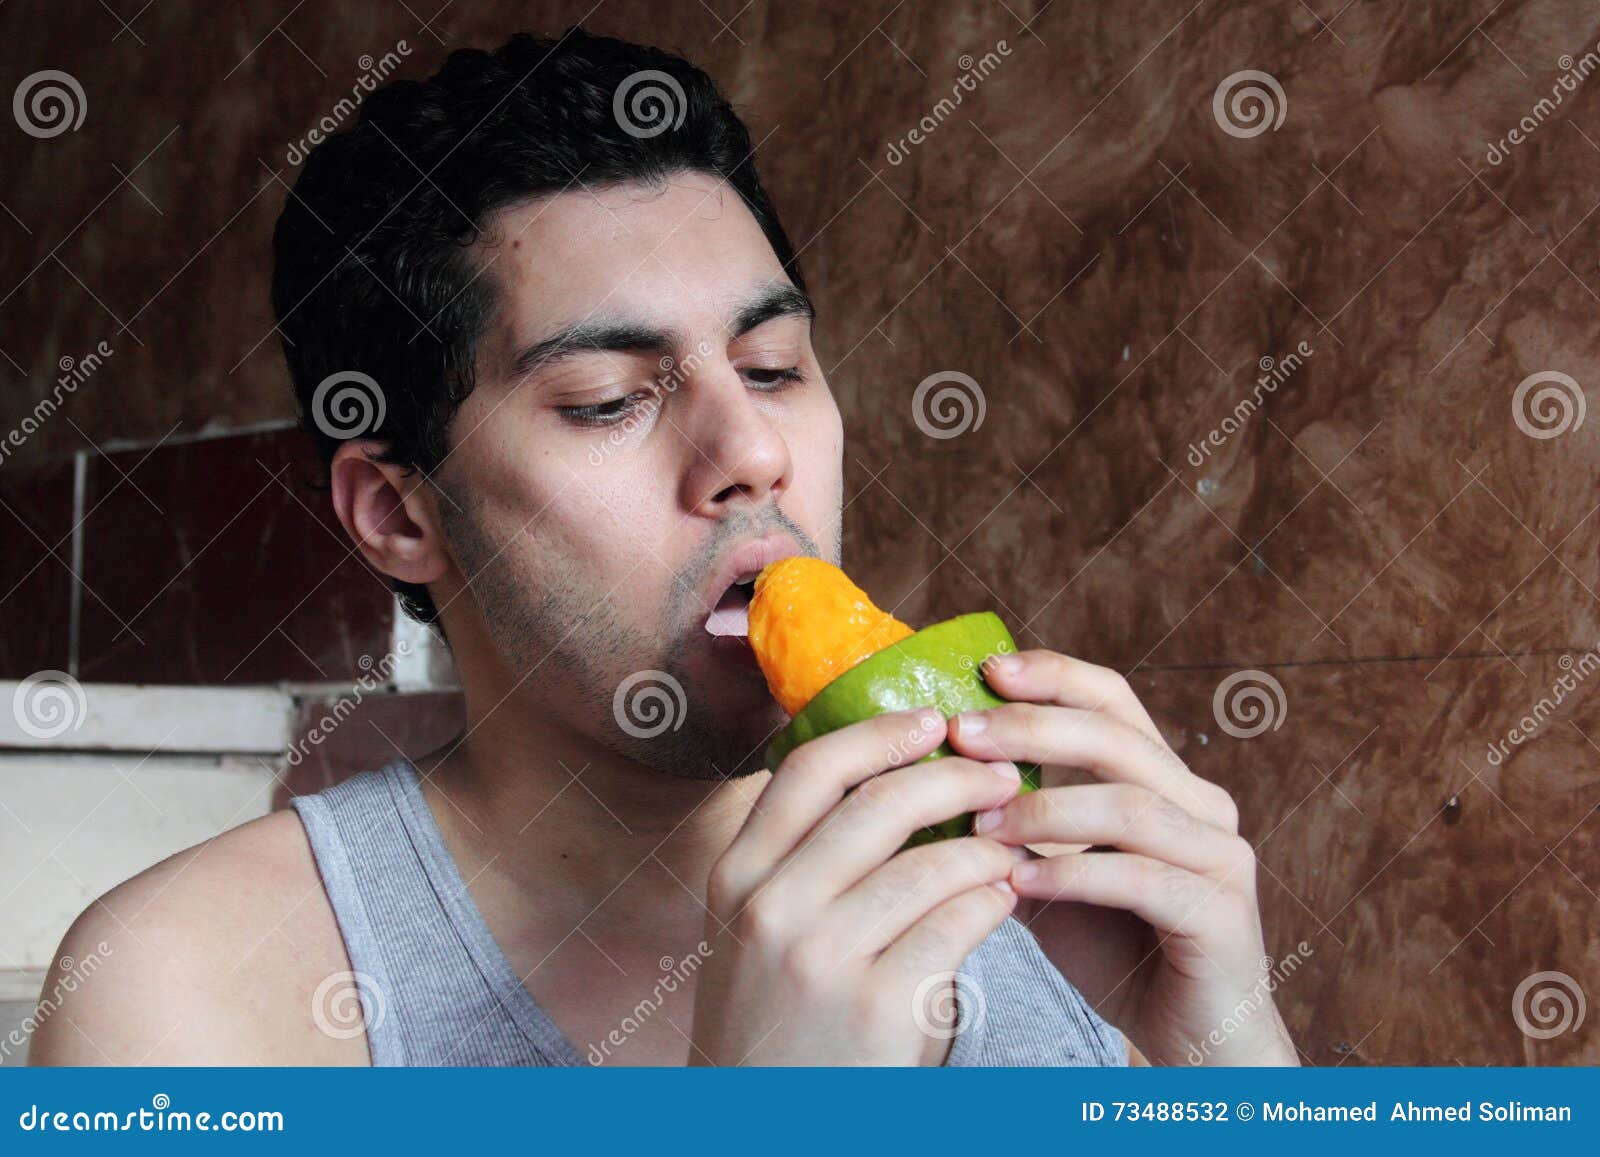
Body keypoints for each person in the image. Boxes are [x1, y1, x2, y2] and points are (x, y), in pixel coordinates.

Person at [32, 28, 1295, 1067]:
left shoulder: (1054, 905)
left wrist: (1232, 1058)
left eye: (772, 366)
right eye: (608, 400)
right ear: (402, 513)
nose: (749, 449)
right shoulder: (186, 999)